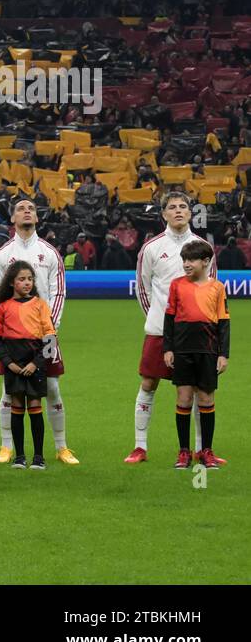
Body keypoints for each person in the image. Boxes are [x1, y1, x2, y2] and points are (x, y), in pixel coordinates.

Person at [127, 192, 220, 464]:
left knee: (199, 388)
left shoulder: (204, 247)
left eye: (183, 206)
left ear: (190, 212)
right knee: (149, 383)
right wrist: (161, 320)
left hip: (198, 333)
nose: (178, 210)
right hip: (160, 330)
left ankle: (201, 449)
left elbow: (212, 289)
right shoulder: (151, 247)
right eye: (172, 207)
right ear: (164, 214)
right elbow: (143, 288)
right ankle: (140, 447)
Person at [0, 199, 77, 465]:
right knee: (9, 391)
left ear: (37, 218)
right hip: (13, 338)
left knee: (52, 388)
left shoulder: (50, 253)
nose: (27, 211)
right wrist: (5, 326)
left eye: (31, 209)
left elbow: (59, 291)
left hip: (45, 333)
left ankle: (61, 447)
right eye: (20, 209)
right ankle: (6, 447)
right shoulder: (2, 254)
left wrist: (51, 327)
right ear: (12, 219)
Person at [164, 240, 229, 469]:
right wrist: (168, 348)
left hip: (208, 351)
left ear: (205, 261)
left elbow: (224, 323)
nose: (186, 264)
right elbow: (169, 318)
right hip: (182, 350)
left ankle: (206, 451)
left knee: (206, 399)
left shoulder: (217, 288)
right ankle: (184, 452)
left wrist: (223, 354)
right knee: (183, 398)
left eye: (191, 260)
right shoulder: (176, 285)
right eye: (184, 260)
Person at [0, 261, 58, 470]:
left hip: (35, 361)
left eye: (30, 279)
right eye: (22, 279)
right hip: (14, 363)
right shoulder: (2, 308)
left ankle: (38, 457)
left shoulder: (40, 305)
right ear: (11, 282)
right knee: (17, 406)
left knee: (35, 406)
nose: (27, 283)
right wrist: (8, 363)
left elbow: (50, 338)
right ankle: (19, 456)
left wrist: (36, 363)